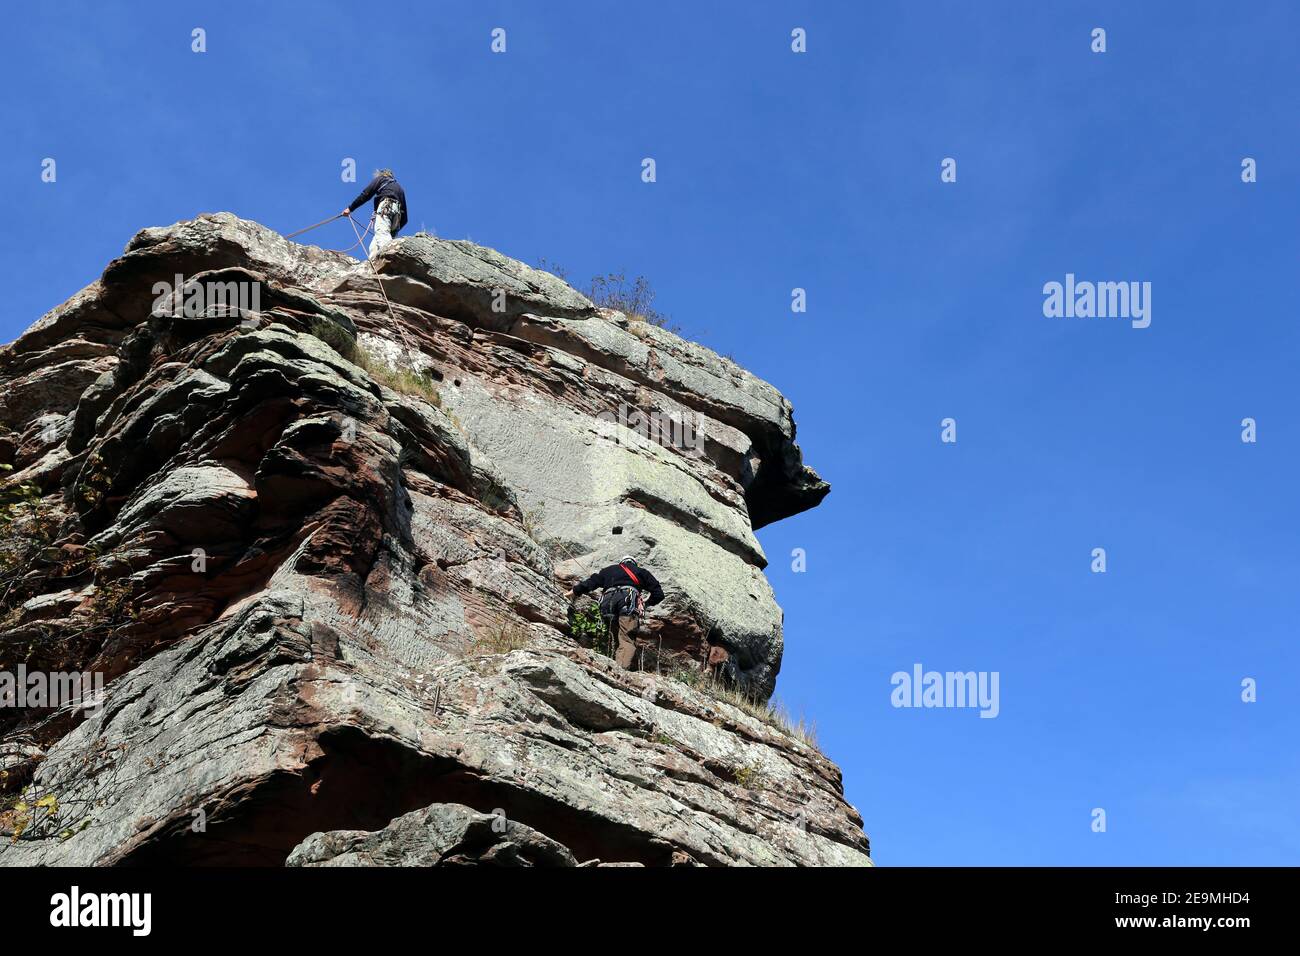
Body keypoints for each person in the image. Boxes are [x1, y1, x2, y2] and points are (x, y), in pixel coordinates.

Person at [567, 556, 664, 669]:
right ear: (634, 564)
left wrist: (574, 591)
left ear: (621, 563)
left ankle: (606, 662)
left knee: (612, 636)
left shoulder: (609, 570)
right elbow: (659, 594)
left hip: (607, 604)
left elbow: (592, 582)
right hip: (628, 601)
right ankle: (620, 670)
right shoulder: (641, 572)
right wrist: (645, 604)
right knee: (626, 637)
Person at [342, 168, 408, 259]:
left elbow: (366, 194)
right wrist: (395, 230)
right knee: (374, 246)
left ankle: (390, 258)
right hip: (397, 216)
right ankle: (374, 264)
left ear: (382, 174)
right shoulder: (400, 188)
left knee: (382, 234)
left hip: (385, 207)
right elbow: (405, 218)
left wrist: (350, 208)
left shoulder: (381, 179)